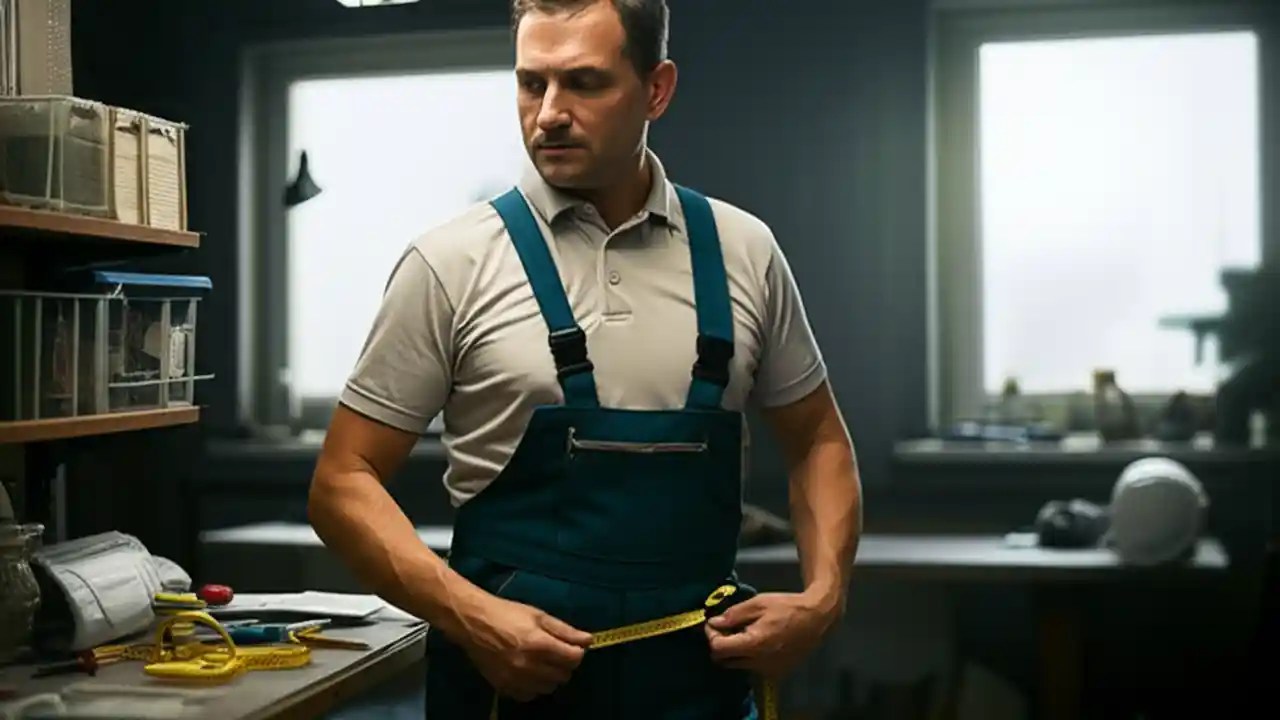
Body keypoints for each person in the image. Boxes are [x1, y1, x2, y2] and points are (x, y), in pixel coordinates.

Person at [307, 0, 863, 717]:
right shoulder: (450, 263)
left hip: (699, 693)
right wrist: (471, 615)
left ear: (656, 89)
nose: (549, 114)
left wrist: (822, 599)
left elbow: (818, 439)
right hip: (507, 694)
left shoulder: (742, 250)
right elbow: (341, 481)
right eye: (531, 84)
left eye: (585, 83)